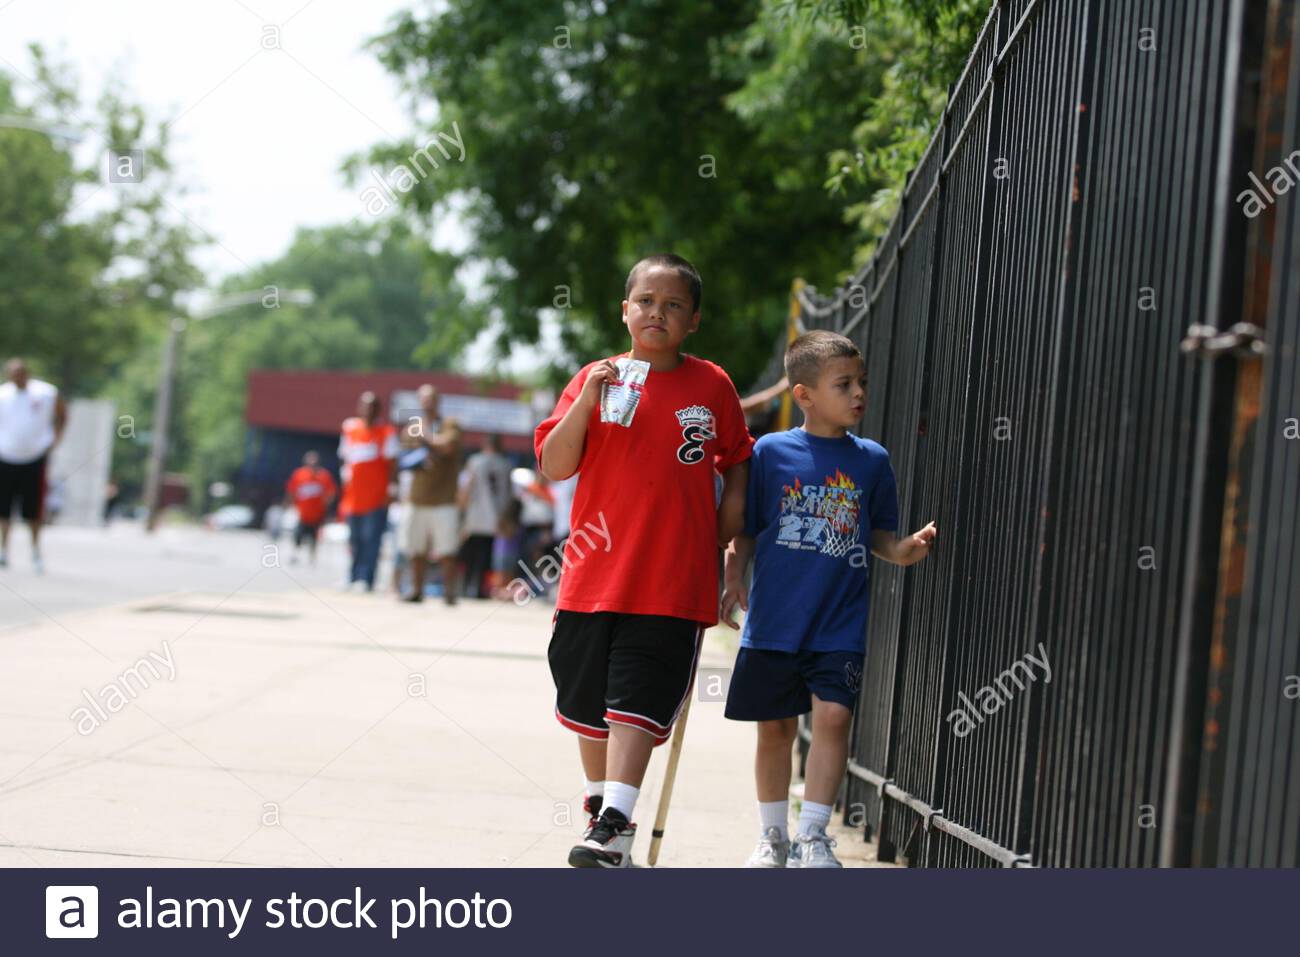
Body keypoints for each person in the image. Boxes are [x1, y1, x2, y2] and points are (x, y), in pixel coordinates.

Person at [535, 253, 753, 868]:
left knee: (637, 698)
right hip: (593, 575)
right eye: (646, 302)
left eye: (673, 304)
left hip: (672, 575)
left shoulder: (711, 385)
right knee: (588, 705)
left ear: (693, 321)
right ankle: (603, 820)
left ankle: (611, 821)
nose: (657, 312)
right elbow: (554, 464)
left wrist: (731, 529)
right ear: (625, 309)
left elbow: (738, 457)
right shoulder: (593, 378)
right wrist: (588, 400)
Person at [720, 330, 937, 868]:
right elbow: (747, 527)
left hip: (838, 622)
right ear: (806, 394)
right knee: (773, 726)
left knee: (835, 717)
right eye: (845, 384)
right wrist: (732, 573)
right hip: (774, 620)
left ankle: (813, 835)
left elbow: (879, 535)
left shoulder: (872, 461)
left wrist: (904, 550)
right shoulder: (769, 453)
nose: (859, 392)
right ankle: (773, 836)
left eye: (861, 382)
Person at [0, 358, 67, 574]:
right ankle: (3, 550)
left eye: (21, 372)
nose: (18, 376)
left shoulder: (46, 392)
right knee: (4, 508)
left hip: (35, 457)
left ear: (27, 373)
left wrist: (55, 440)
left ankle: (36, 552)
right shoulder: (3, 394)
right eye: (13, 373)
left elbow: (62, 415)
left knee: (33, 509)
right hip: (6, 456)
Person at [397, 384, 462, 604]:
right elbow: (403, 456)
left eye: (431, 399)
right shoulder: (413, 427)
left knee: (447, 550)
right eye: (423, 399)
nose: (427, 403)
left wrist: (425, 437)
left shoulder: (449, 424)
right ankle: (416, 590)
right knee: (415, 548)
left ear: (438, 400)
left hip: (444, 498)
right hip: (418, 497)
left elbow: (447, 447)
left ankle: (449, 593)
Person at [338, 391, 399, 592]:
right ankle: (352, 576)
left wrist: (391, 489)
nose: (368, 410)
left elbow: (392, 464)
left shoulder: (386, 432)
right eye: (364, 405)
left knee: (371, 539)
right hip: (353, 497)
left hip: (376, 497)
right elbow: (346, 459)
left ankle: (367, 579)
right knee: (354, 540)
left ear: (378, 409)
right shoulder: (350, 428)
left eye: (372, 406)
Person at [458, 434, 512, 599]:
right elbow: (509, 493)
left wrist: (461, 507)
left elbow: (466, 486)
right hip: (495, 516)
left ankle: (467, 586)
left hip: (476, 514)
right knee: (487, 555)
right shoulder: (506, 464)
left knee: (470, 554)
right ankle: (482, 589)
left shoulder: (475, 461)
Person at [284, 451, 337, 566]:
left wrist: (326, 504)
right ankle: (295, 554)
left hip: (317, 513)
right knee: (298, 534)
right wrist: (290, 505)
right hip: (302, 512)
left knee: (314, 537)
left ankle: (312, 558)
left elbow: (331, 492)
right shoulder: (299, 475)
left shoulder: (324, 476)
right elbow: (291, 491)